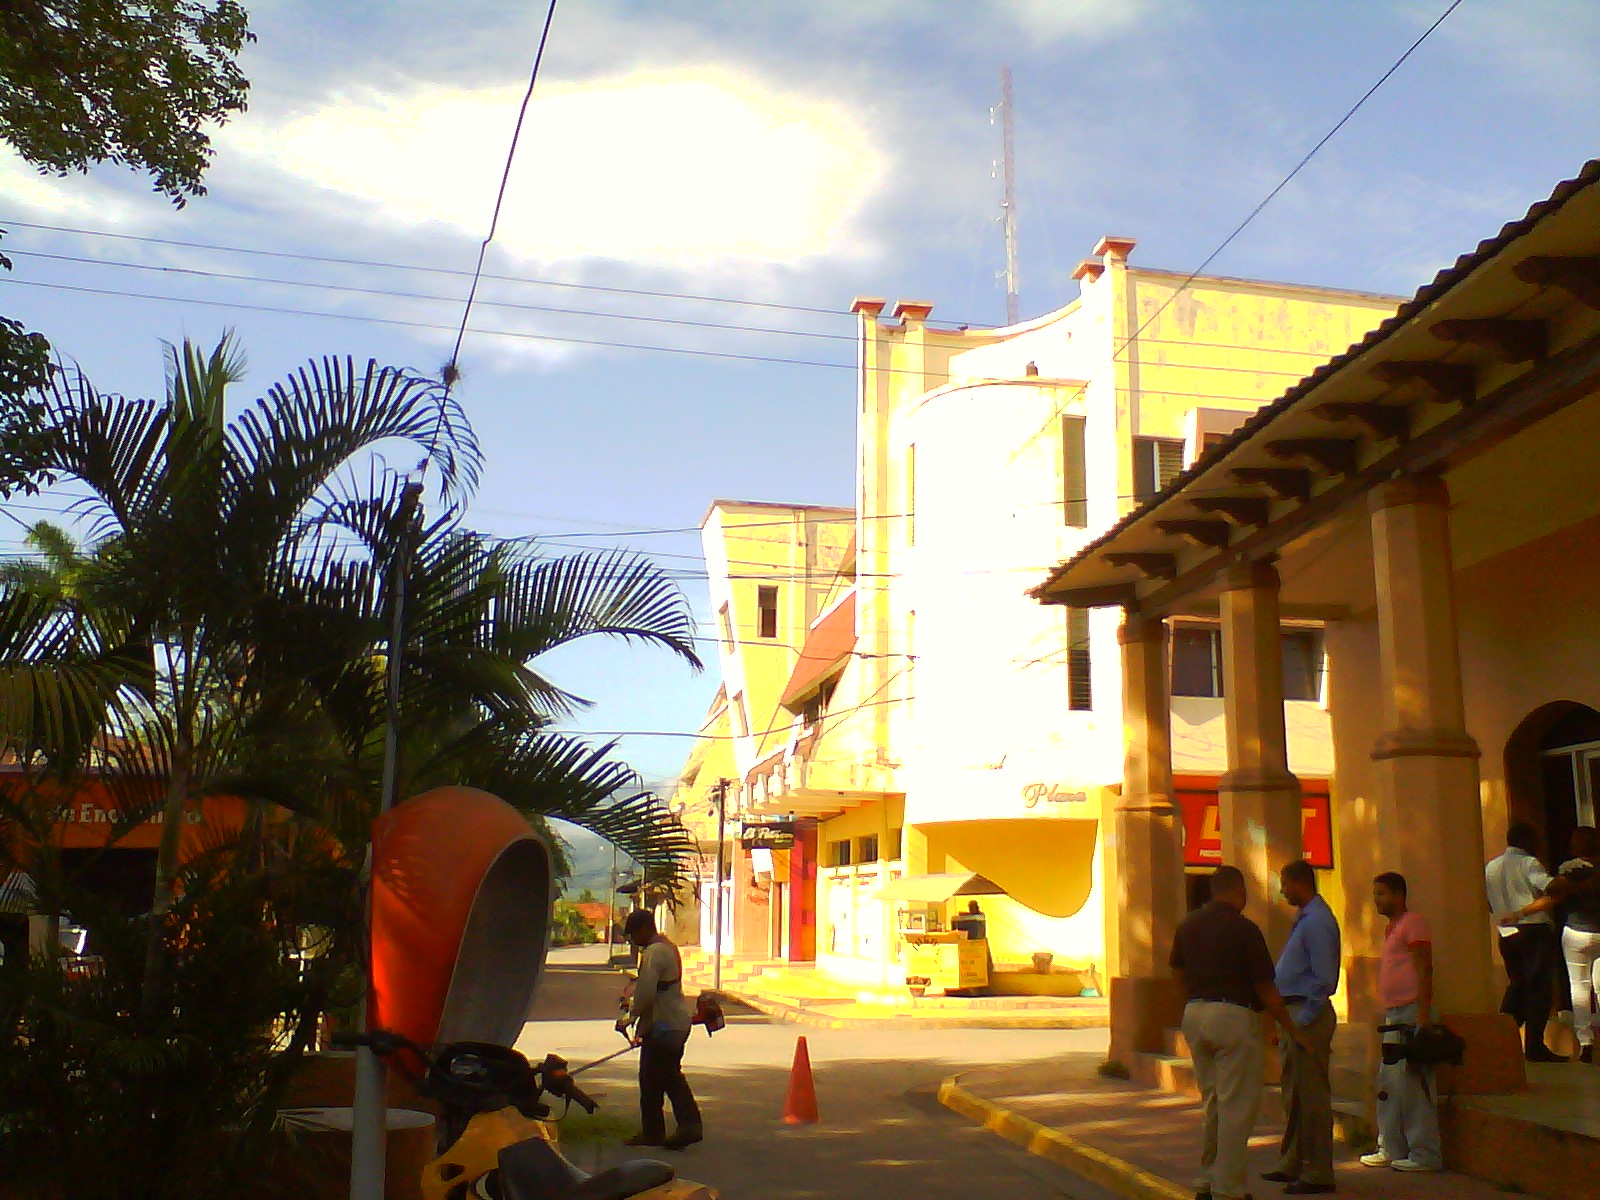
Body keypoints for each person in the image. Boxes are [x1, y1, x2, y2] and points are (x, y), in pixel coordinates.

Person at [1170, 865, 1311, 1200]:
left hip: (1195, 1013)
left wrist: (1188, 1006)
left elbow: (1176, 970)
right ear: (1239, 892)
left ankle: (1207, 1178)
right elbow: (1265, 986)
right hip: (1233, 1017)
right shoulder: (1245, 929)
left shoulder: (1187, 924)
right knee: (1236, 1106)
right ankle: (1228, 1188)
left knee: (1214, 1101)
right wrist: (1288, 1027)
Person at [1262, 859, 1340, 1195]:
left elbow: (1324, 979)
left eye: (1284, 883)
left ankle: (1319, 1170)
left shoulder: (1318, 922)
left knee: (1312, 1096)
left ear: (1298, 883)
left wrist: (1303, 1024)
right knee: (1293, 1092)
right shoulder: (1305, 918)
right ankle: (1293, 1160)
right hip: (1293, 1014)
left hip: (1307, 1015)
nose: (1282, 890)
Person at [1360, 872, 1441, 1174]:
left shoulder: (1414, 923)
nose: (1376, 900)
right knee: (1389, 1084)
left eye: (1381, 894)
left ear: (1398, 894)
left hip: (1411, 1013)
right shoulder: (1392, 928)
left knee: (1415, 1085)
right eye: (1375, 893)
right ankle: (1390, 1147)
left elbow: (1424, 968)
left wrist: (1423, 1014)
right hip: (1394, 1014)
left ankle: (1425, 1153)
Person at [1503, 827, 1600, 1064]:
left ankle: (1585, 1042)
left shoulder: (1570, 870)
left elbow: (1553, 895)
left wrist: (1520, 913)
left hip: (1576, 931)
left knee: (1579, 988)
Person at [616, 909, 703, 1150]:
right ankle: (653, 1132)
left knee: (667, 1076)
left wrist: (629, 1018)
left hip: (665, 1025)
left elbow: (646, 991)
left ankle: (690, 1125)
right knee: (652, 1079)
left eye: (634, 935)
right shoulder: (668, 947)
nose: (633, 941)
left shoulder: (655, 952)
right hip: (670, 1022)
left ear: (645, 929)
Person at [1486, 823, 1565, 1062]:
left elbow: (1489, 902)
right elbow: (1550, 887)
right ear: (1527, 840)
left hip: (1506, 931)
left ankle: (1500, 1038)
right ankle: (1534, 1045)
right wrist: (1568, 876)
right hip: (1533, 930)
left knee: (1518, 984)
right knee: (1539, 989)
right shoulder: (1529, 863)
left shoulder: (1491, 866)